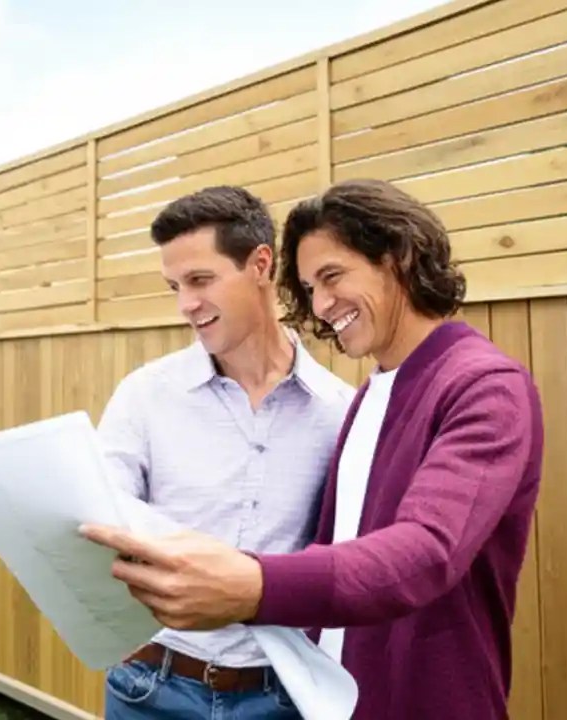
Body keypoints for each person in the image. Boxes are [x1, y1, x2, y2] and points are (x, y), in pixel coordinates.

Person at [82, 178, 545, 720]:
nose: (321, 305)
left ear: (397, 256)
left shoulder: (484, 385)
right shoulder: (376, 393)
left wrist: (253, 585)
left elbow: (427, 550)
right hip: (331, 699)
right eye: (309, 287)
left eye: (332, 277)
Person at [92, 186, 355, 718]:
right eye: (174, 286)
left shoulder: (339, 411)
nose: (186, 304)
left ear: (260, 264)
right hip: (149, 687)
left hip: (280, 697)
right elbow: (94, 524)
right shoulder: (144, 395)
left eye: (200, 280)